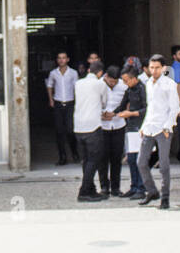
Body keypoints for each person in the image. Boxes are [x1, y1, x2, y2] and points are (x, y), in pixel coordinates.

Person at [137, 55, 180, 209]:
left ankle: (165, 197)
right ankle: (151, 191)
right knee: (141, 162)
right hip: (149, 127)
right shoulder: (148, 83)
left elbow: (174, 108)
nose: (154, 70)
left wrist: (168, 127)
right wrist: (143, 126)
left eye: (157, 68)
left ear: (163, 68)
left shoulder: (169, 84)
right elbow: (150, 107)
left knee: (163, 165)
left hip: (163, 129)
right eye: (151, 67)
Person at [72, 59, 108, 203]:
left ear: (88, 70)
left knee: (86, 160)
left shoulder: (78, 83)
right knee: (94, 159)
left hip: (78, 126)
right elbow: (104, 102)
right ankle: (84, 191)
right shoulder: (100, 84)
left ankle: (91, 189)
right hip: (93, 126)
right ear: (100, 73)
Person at [113, 65, 147, 196]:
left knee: (139, 158)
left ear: (134, 78)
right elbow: (121, 106)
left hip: (140, 126)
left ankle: (141, 187)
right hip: (130, 127)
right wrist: (111, 113)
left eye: (127, 80)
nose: (125, 83)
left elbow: (146, 109)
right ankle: (134, 186)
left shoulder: (142, 89)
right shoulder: (129, 90)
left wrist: (131, 114)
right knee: (131, 158)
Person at [45, 52, 79, 165]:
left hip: (70, 103)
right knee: (59, 132)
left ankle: (74, 152)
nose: (61, 60)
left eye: (64, 58)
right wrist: (51, 100)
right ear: (57, 60)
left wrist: (78, 102)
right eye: (59, 58)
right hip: (58, 104)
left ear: (68, 59)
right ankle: (62, 157)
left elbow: (77, 88)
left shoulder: (73, 73)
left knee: (70, 130)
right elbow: (49, 86)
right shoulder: (53, 73)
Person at [100, 66, 127, 196]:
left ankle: (116, 187)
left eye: (115, 82)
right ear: (106, 76)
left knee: (116, 158)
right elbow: (93, 102)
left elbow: (127, 103)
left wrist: (116, 114)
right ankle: (104, 186)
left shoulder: (123, 86)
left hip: (118, 125)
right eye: (111, 81)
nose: (113, 84)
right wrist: (101, 114)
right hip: (102, 126)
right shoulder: (99, 85)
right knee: (103, 157)